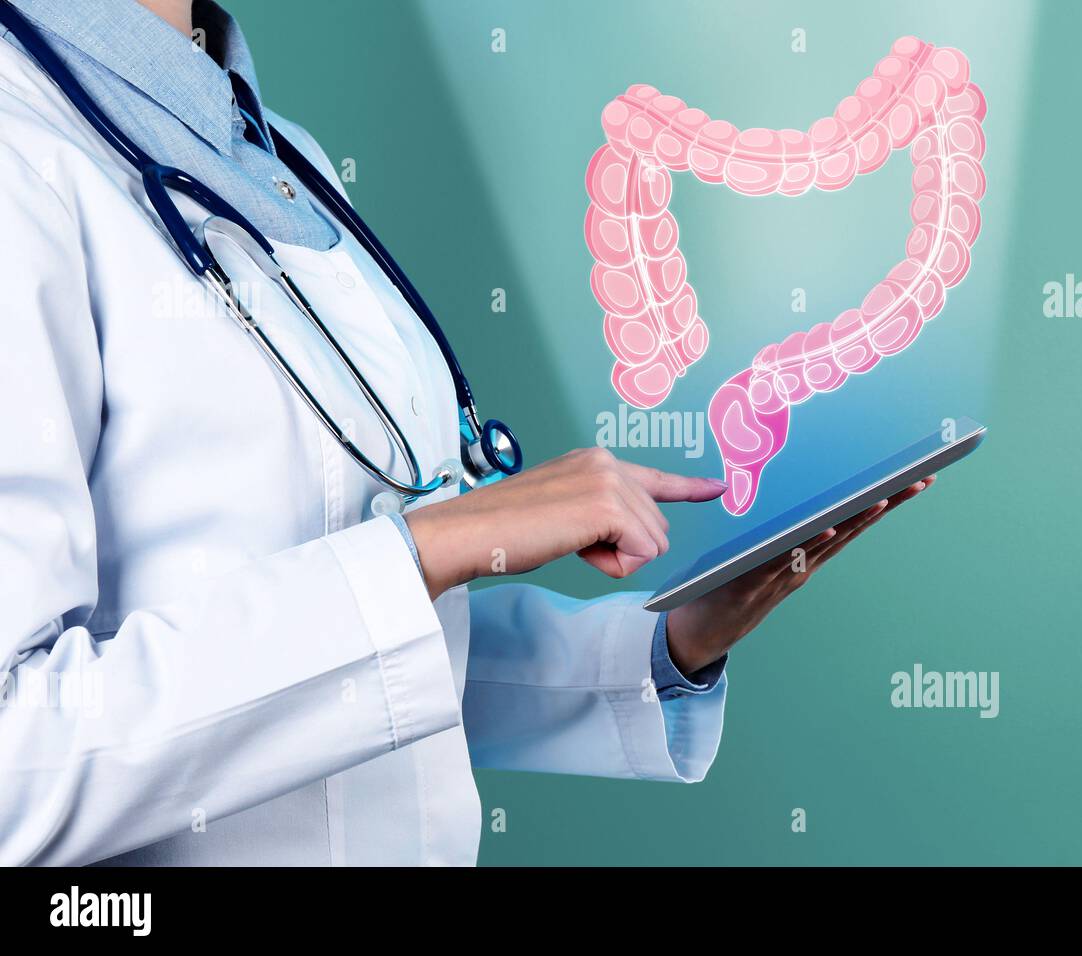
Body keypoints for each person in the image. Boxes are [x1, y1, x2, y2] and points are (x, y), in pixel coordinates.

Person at [0, 0, 932, 866]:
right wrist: (432, 546)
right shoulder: (20, 155)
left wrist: (669, 642)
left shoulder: (284, 159)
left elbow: (372, 673)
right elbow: (17, 760)